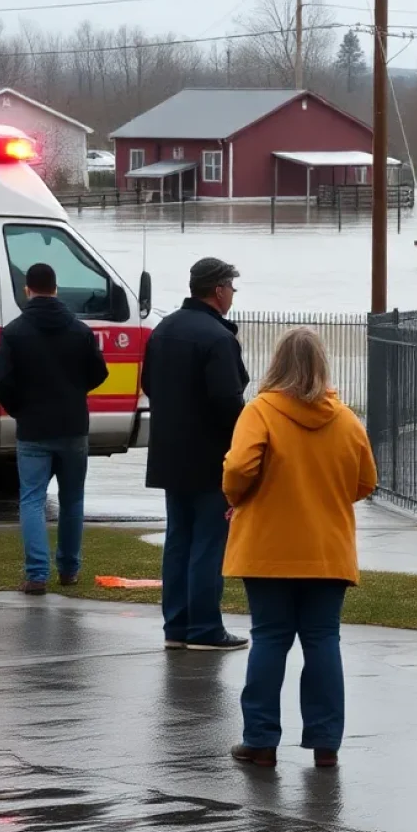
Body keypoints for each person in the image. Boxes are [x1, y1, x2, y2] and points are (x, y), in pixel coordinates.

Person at [222, 328, 377, 769]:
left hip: (268, 546)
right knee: (323, 640)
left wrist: (238, 497)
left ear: (277, 364)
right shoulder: (346, 419)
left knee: (270, 639)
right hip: (327, 549)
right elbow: (365, 481)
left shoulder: (261, 411)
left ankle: (261, 741)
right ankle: (326, 743)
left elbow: (238, 467)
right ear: (321, 365)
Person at [142, 257, 249, 652]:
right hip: (209, 459)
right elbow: (228, 401)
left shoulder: (164, 330)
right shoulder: (218, 339)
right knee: (207, 542)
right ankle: (205, 628)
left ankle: (177, 626)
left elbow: (150, 383)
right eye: (232, 287)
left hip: (170, 454)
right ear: (218, 290)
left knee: (178, 541)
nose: (233, 294)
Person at [0, 263, 108, 595]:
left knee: (31, 499)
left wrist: (20, 409)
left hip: (32, 428)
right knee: (73, 500)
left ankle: (36, 575)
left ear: (28, 290)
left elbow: (1, 380)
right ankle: (69, 570)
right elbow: (99, 374)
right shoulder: (79, 330)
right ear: (56, 289)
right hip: (73, 425)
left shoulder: (14, 332)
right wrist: (74, 392)